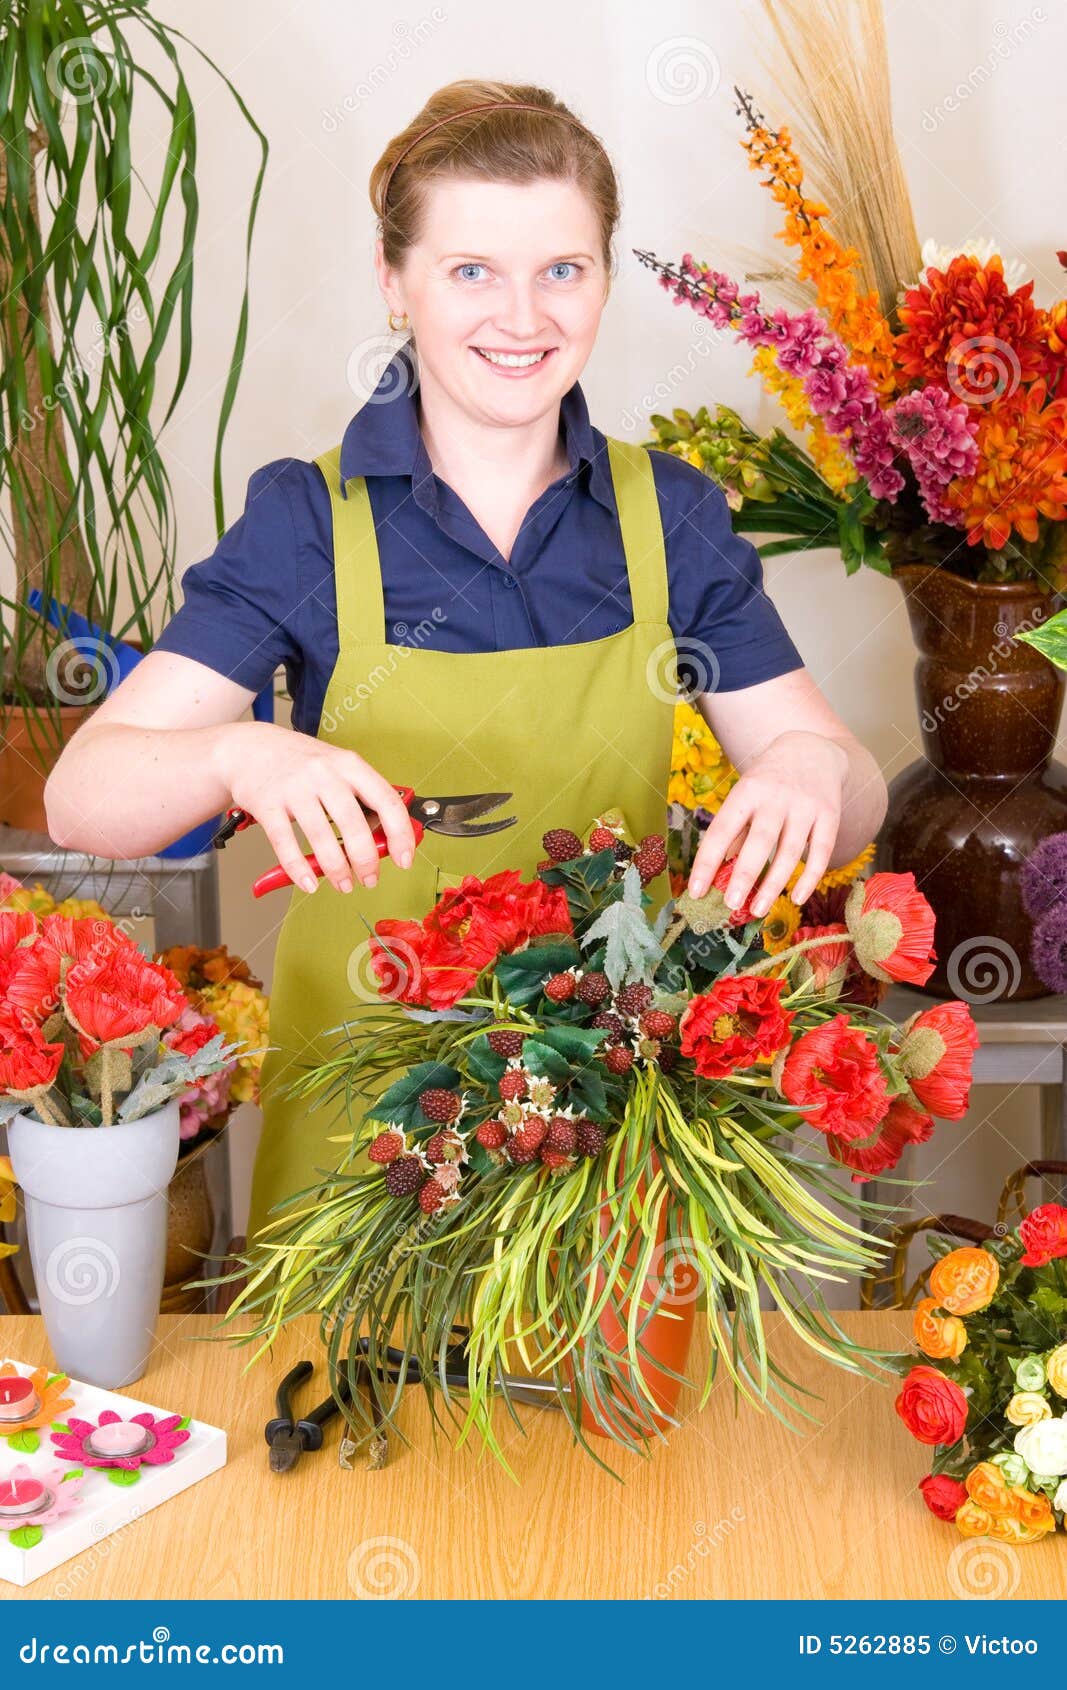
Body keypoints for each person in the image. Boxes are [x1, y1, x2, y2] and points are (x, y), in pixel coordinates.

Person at [44, 79, 888, 1240]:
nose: (523, 315)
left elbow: (851, 792)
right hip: (363, 1132)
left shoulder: (666, 517)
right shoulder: (308, 521)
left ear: (600, 277)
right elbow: (84, 799)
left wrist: (808, 769)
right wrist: (243, 754)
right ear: (393, 283)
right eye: (470, 270)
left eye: (562, 269)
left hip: (606, 1116)